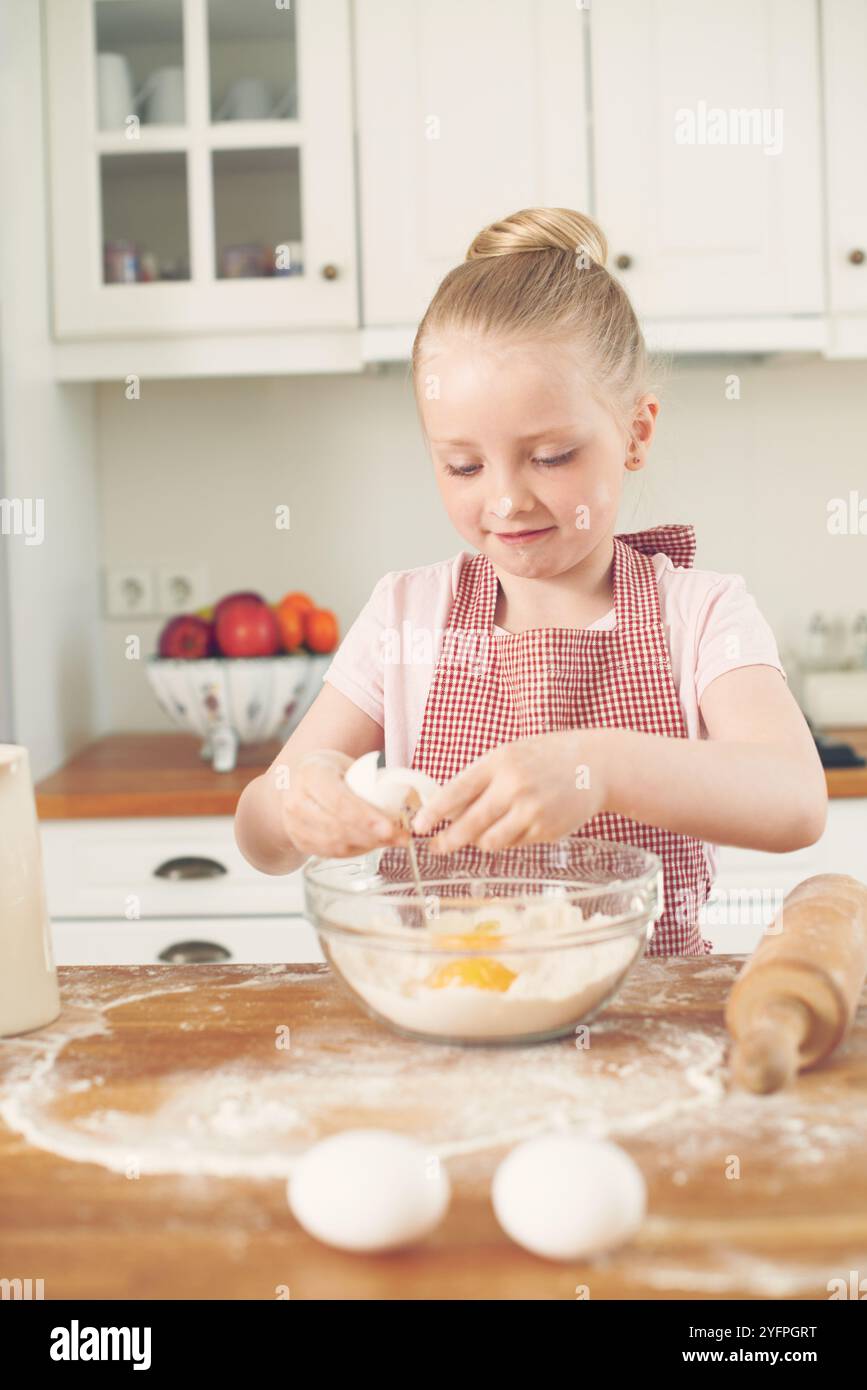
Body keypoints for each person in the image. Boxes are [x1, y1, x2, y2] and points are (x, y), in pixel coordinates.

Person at [235, 207, 827, 954]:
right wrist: (300, 801)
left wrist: (596, 767)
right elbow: (258, 833)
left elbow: (795, 800)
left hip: (646, 1024)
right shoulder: (406, 615)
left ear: (636, 433)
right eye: (463, 466)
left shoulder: (701, 613)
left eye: (549, 457)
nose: (506, 499)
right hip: (445, 1013)